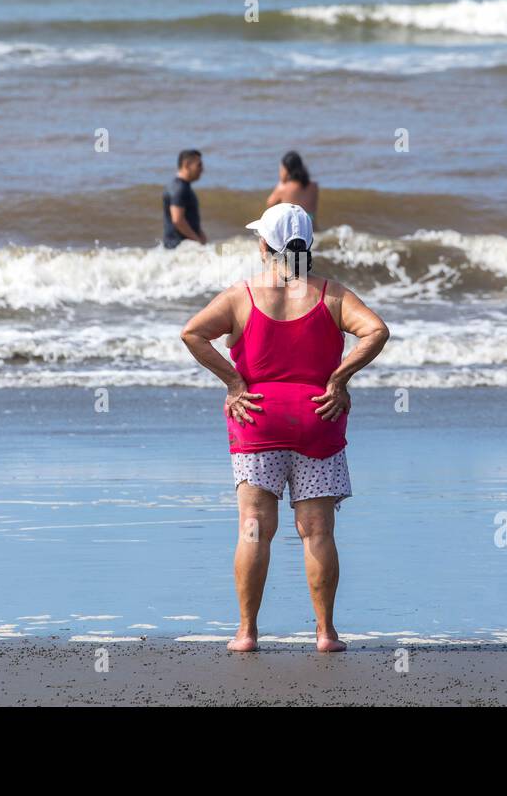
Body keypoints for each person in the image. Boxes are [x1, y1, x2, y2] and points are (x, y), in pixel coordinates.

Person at [180, 203, 389, 653]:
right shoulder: (332, 295)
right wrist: (339, 378)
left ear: (263, 246)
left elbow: (192, 333)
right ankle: (326, 634)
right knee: (317, 532)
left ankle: (246, 632)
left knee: (253, 528)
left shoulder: (242, 296)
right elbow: (376, 331)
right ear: (308, 246)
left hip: (257, 421)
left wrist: (235, 382)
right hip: (320, 419)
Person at [163, 149, 205, 248]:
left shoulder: (180, 186)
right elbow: (178, 220)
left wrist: (200, 234)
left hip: (181, 247)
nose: (202, 169)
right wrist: (197, 239)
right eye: (199, 165)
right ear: (186, 165)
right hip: (178, 248)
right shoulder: (179, 188)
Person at [264, 151, 319, 223]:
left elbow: (269, 205)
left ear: (286, 170)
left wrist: (282, 181)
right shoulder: (314, 186)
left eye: (281, 169)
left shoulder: (282, 188)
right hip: (312, 229)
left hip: (293, 229)